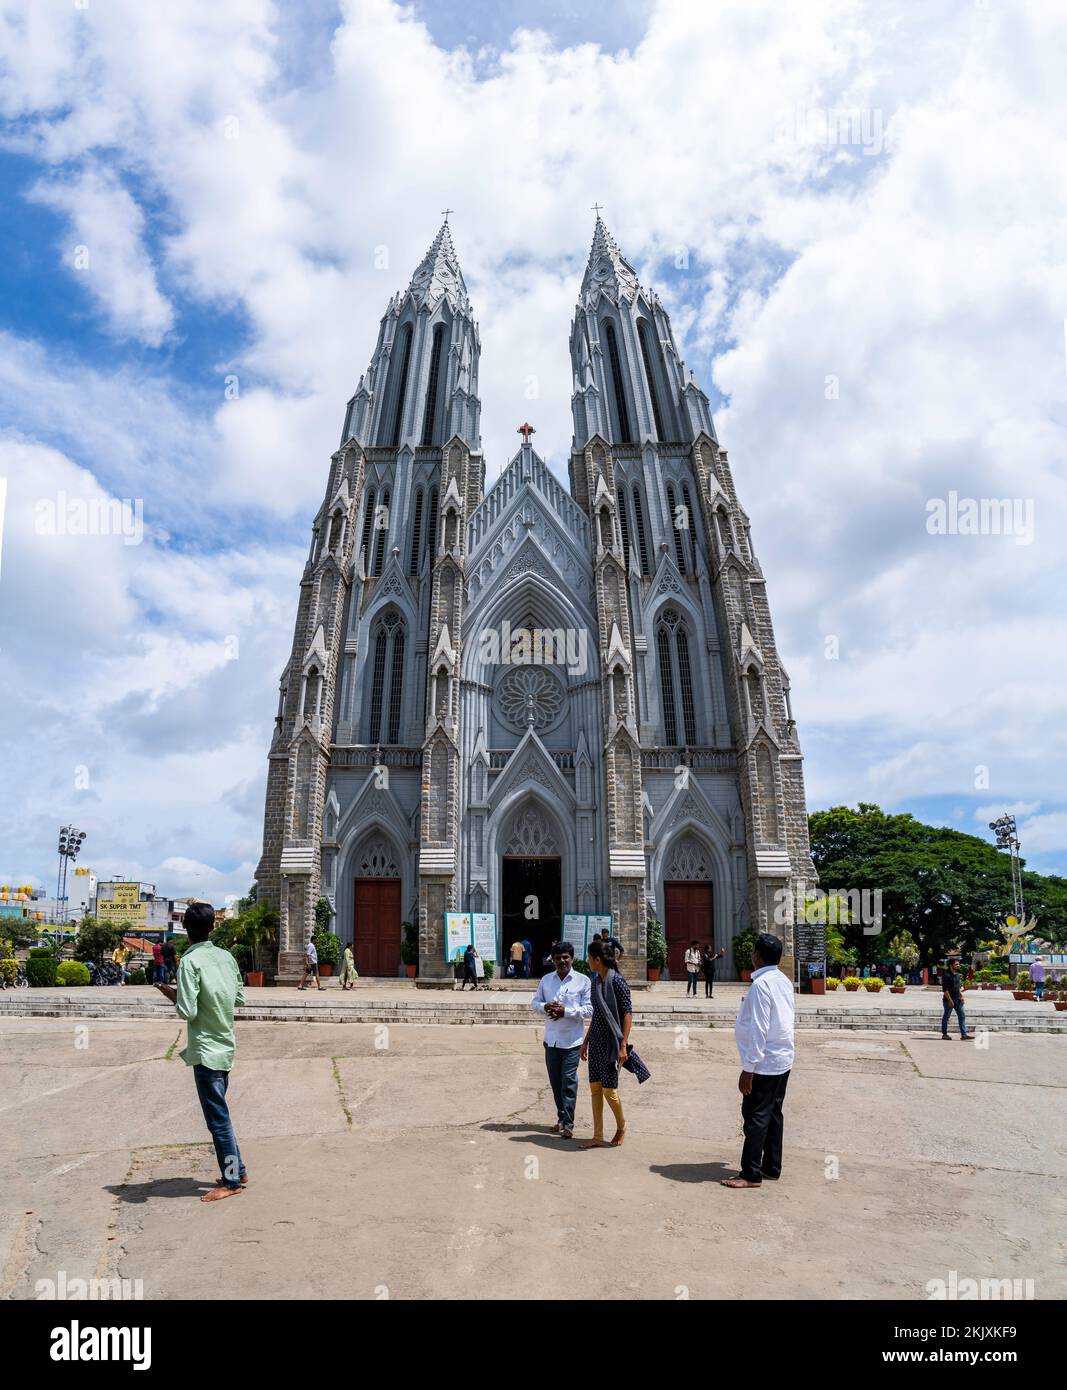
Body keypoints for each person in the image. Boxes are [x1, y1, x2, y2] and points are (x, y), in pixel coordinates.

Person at [156, 901, 247, 1202]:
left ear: (185, 927)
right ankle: (239, 1168)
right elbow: (240, 997)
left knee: (217, 1119)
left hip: (206, 1050)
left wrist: (171, 993)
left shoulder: (189, 962)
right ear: (213, 927)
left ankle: (232, 1180)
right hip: (226, 1047)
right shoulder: (226, 957)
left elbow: (187, 1010)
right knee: (221, 1114)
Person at [722, 932, 795, 1190]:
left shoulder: (761, 985)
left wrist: (748, 1069)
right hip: (782, 1059)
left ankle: (751, 1173)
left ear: (757, 956)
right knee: (773, 1112)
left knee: (755, 1116)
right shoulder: (783, 981)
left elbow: (759, 1030)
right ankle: (771, 1166)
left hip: (765, 1063)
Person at [579, 938, 650, 1148]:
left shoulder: (617, 981)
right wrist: (585, 1042)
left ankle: (621, 1127)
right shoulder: (595, 982)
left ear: (597, 960)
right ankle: (597, 1135)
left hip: (612, 1043)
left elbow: (627, 1013)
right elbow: (598, 1015)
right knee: (595, 1089)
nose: (588, 961)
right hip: (596, 1042)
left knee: (609, 1090)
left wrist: (622, 1044)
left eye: (589, 958)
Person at [531, 941, 592, 1139]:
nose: (562, 961)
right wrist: (546, 1007)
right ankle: (560, 1118)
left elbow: (589, 1009)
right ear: (553, 960)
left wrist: (565, 1011)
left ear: (572, 958)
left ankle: (568, 1123)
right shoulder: (546, 980)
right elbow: (535, 1003)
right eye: (558, 958)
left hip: (572, 1042)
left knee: (569, 1081)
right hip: (551, 1041)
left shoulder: (583, 981)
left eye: (566, 957)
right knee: (556, 1083)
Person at [940, 957, 970, 1039]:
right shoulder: (946, 975)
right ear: (951, 965)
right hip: (948, 1001)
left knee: (962, 1016)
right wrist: (950, 1001)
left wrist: (961, 996)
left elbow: (957, 988)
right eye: (956, 964)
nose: (958, 965)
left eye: (958, 964)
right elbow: (945, 990)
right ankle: (944, 1034)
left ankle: (964, 1035)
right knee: (946, 1017)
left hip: (958, 1000)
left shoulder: (957, 975)